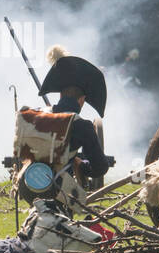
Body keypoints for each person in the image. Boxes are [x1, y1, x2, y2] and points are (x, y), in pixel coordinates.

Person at [38, 47, 108, 185]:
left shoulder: (39, 116)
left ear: (60, 95)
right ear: (82, 100)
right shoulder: (83, 126)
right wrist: (82, 166)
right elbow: (100, 167)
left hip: (31, 183)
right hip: (60, 189)